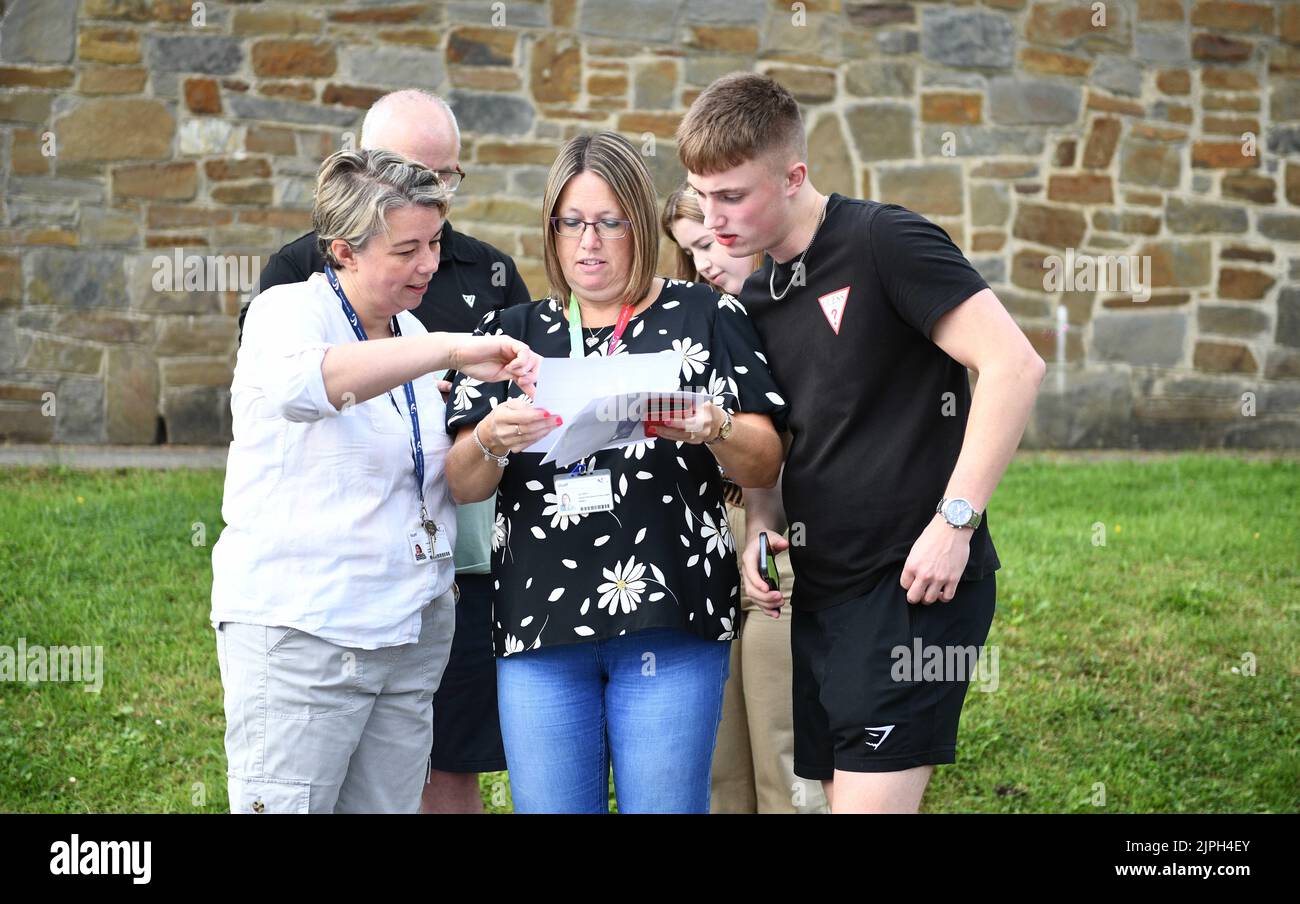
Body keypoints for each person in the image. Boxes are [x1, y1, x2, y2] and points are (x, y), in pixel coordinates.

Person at [678, 73, 1046, 814]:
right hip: (821, 596)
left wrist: (956, 522)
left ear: (794, 176)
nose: (711, 219)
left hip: (914, 589)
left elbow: (1013, 364)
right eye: (701, 194)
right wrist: (765, 522)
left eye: (732, 196)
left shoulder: (886, 240)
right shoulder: (755, 299)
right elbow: (786, 438)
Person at [443, 132, 789, 814]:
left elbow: (765, 457)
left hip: (671, 619)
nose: (588, 243)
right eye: (571, 223)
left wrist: (714, 426)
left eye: (609, 223)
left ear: (640, 223)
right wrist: (488, 437)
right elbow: (462, 483)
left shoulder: (706, 315)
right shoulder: (512, 332)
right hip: (539, 626)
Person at [211, 148, 541, 814]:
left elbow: (427, 477)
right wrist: (451, 348)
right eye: (407, 249)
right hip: (308, 636)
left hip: (407, 636)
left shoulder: (411, 329)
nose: (429, 264)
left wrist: (491, 437)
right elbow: (318, 383)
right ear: (344, 251)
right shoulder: (287, 313)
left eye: (436, 244)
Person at [661, 184, 827, 814]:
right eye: (689, 250)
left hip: (785, 534)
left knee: (782, 746)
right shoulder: (692, 323)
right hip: (705, 532)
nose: (703, 261)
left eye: (710, 242)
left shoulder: (792, 317)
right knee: (715, 756)